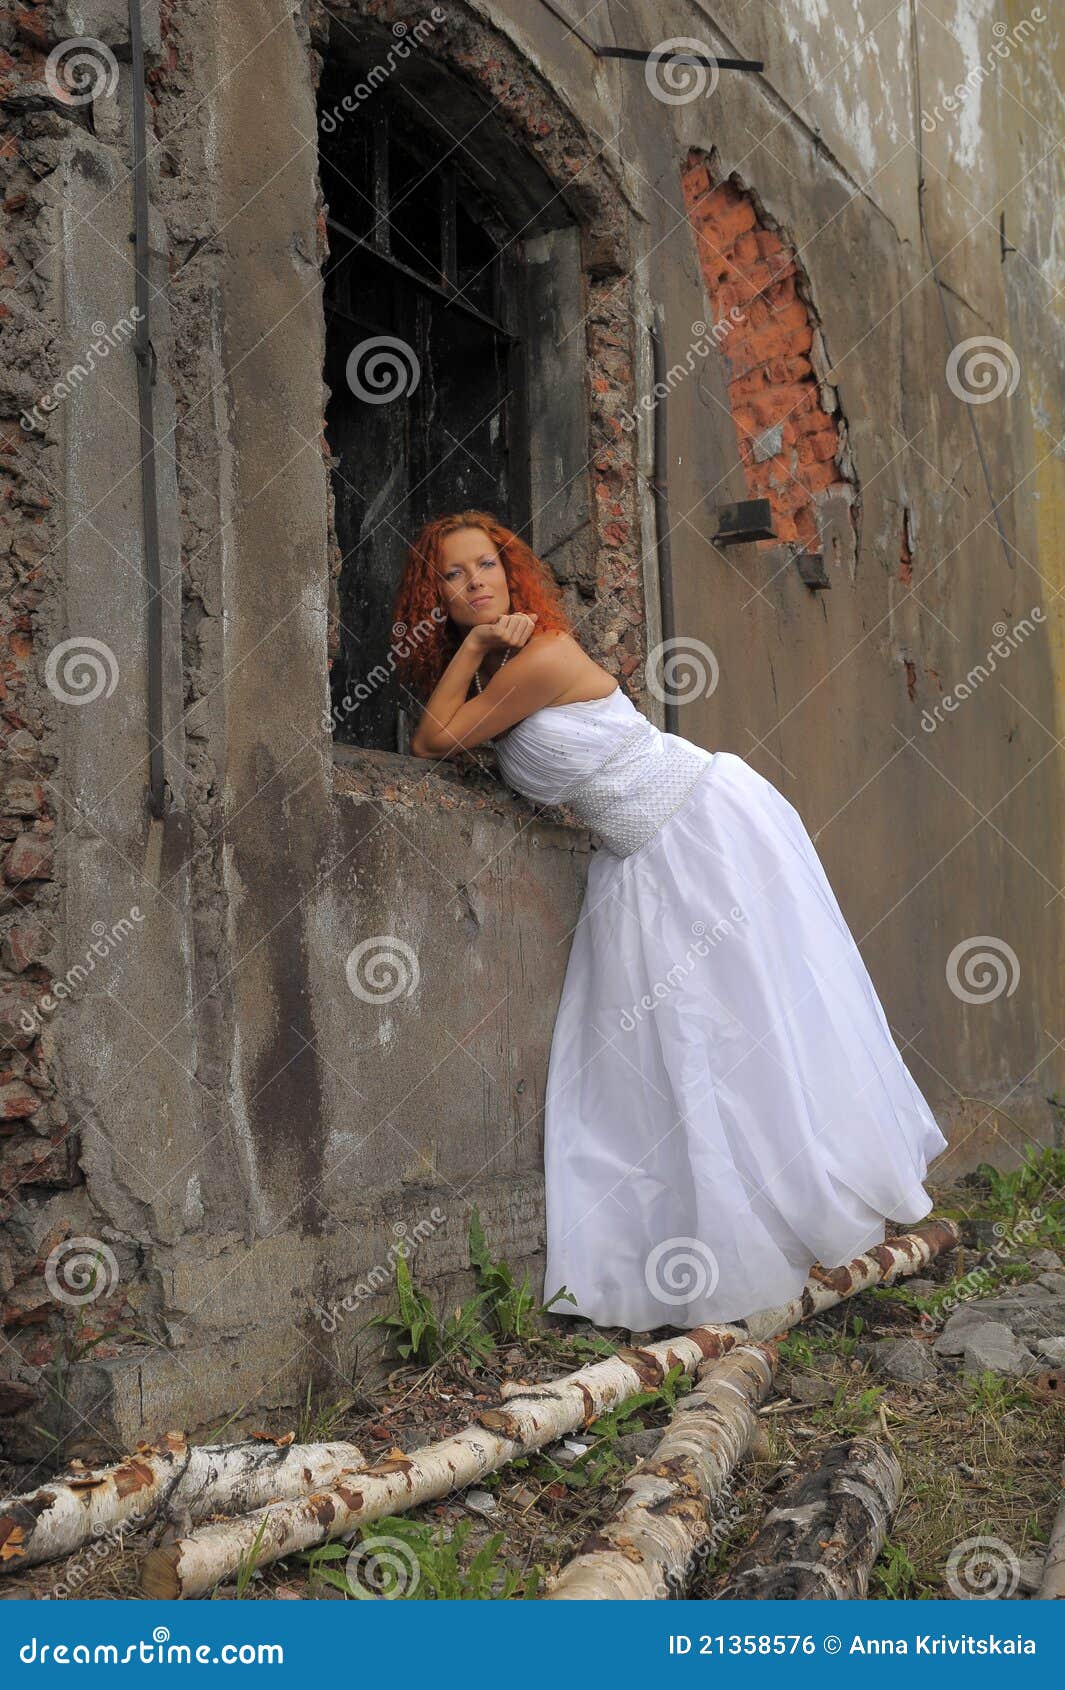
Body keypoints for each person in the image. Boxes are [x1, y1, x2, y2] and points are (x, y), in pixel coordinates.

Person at [393, 510, 947, 1331]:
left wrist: (471, 646)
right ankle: (726, 1242)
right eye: (452, 574)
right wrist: (474, 650)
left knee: (751, 1021)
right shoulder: (501, 669)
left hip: (700, 826)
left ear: (511, 575)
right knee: (666, 1050)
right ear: (433, 595)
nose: (475, 582)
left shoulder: (542, 655)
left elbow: (431, 741)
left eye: (487, 565)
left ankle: (820, 1208)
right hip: (638, 859)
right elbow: (440, 735)